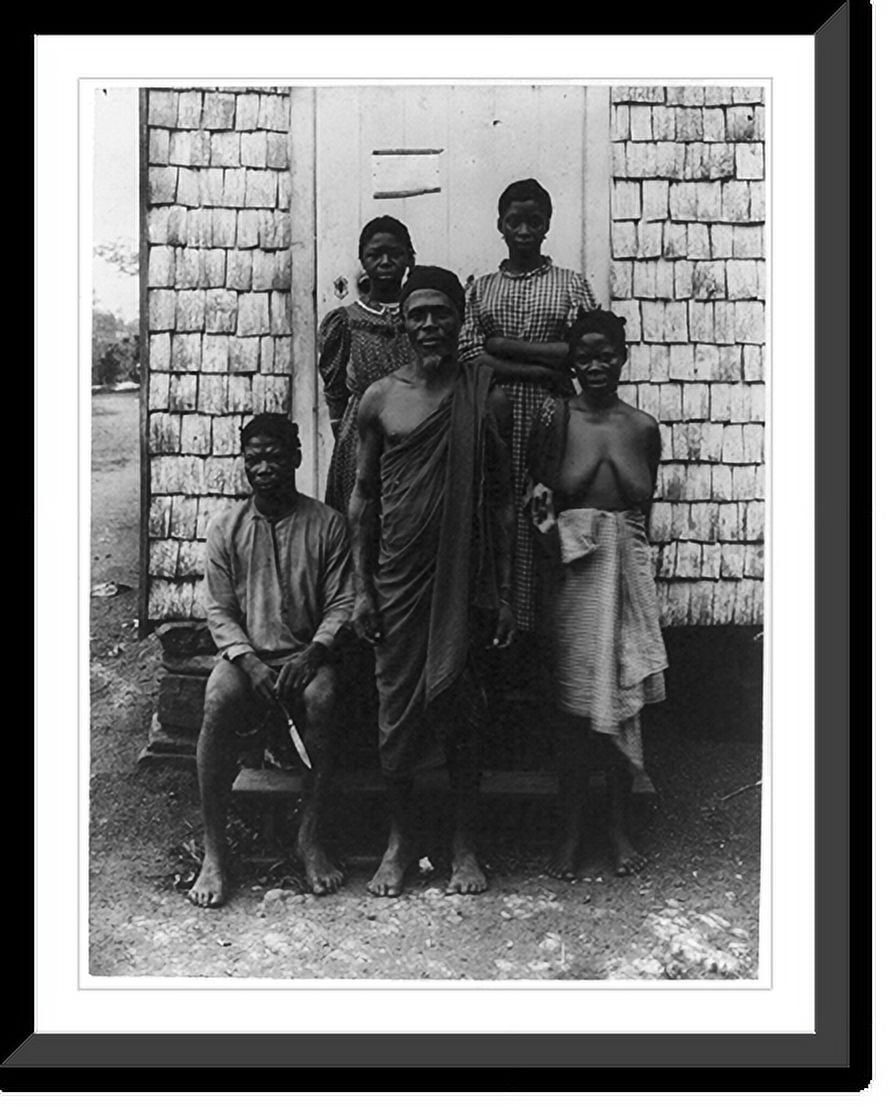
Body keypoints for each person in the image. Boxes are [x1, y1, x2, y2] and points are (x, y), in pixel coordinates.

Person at [349, 265, 515, 898]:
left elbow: (501, 500)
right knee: (395, 715)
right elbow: (362, 498)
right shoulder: (379, 399)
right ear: (403, 320)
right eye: (417, 314)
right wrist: (363, 588)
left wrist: (500, 591)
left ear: (459, 319)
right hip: (397, 582)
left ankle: (463, 844)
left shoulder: (484, 395)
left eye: (440, 313)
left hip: (466, 584)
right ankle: (399, 841)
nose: (428, 325)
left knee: (463, 714)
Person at [188, 414, 355, 908]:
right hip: (248, 659)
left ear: (296, 459)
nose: (264, 468)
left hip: (307, 656)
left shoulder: (327, 524)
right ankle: (214, 851)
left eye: (275, 456)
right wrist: (248, 660)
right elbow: (218, 609)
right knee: (217, 698)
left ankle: (310, 837)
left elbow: (343, 602)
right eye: (254, 458)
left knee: (323, 697)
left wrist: (317, 650)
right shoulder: (226, 528)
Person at [526, 309, 668, 878]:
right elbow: (538, 505)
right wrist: (546, 554)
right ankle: (572, 831)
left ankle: (617, 829)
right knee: (574, 711)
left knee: (624, 694)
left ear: (623, 356)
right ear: (572, 361)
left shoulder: (643, 428)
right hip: (575, 574)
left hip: (628, 568)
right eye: (584, 356)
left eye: (606, 354)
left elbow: (644, 509)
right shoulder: (557, 420)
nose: (595, 365)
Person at [458, 178, 598, 634]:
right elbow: (470, 353)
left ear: (547, 224)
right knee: (496, 509)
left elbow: (580, 348)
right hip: (495, 419)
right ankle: (498, 622)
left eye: (533, 221)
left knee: (543, 512)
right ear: (500, 224)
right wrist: (539, 367)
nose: (524, 230)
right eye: (514, 221)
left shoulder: (569, 284)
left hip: (550, 422)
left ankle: (545, 632)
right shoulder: (482, 288)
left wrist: (503, 345)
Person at [318, 215, 416, 513]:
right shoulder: (346, 321)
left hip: (414, 425)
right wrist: (346, 436)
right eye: (375, 255)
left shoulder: (421, 314)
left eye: (395, 254)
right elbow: (335, 392)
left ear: (409, 258)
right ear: (362, 259)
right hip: (360, 433)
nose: (385, 262)